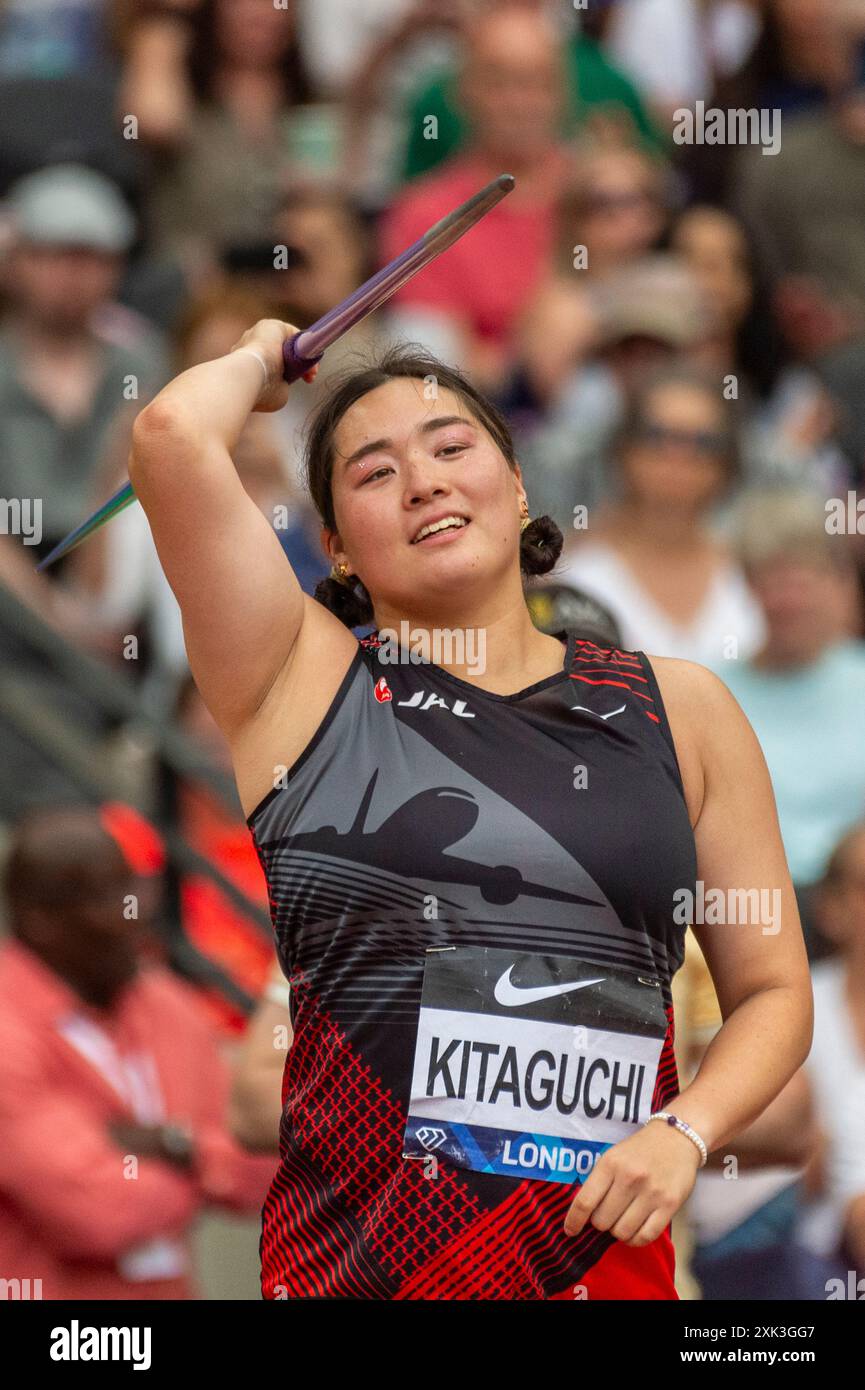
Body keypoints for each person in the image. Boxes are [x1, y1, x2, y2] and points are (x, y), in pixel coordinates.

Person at [126, 317, 812, 1300]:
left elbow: (777, 993)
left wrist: (685, 1129)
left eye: (451, 448)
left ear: (518, 484)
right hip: (359, 1275)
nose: (423, 480)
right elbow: (168, 439)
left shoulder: (682, 706)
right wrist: (259, 363)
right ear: (338, 550)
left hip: (597, 1267)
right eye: (373, 473)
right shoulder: (300, 687)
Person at [0, 804, 275, 1300]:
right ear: (42, 922)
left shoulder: (165, 1003)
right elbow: (97, 1211)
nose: (138, 910)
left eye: (135, 886)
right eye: (108, 895)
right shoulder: (8, 1023)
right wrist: (206, 1168)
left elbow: (263, 1169)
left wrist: (177, 1145)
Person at [713, 488, 865, 955]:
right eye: (773, 578)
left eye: (806, 576)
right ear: (748, 585)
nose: (790, 597)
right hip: (745, 916)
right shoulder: (710, 689)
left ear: (836, 581)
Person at [553, 363, 766, 665]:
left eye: (703, 443)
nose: (678, 456)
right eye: (657, 436)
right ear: (624, 447)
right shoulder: (574, 572)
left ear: (727, 461)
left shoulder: (751, 569)